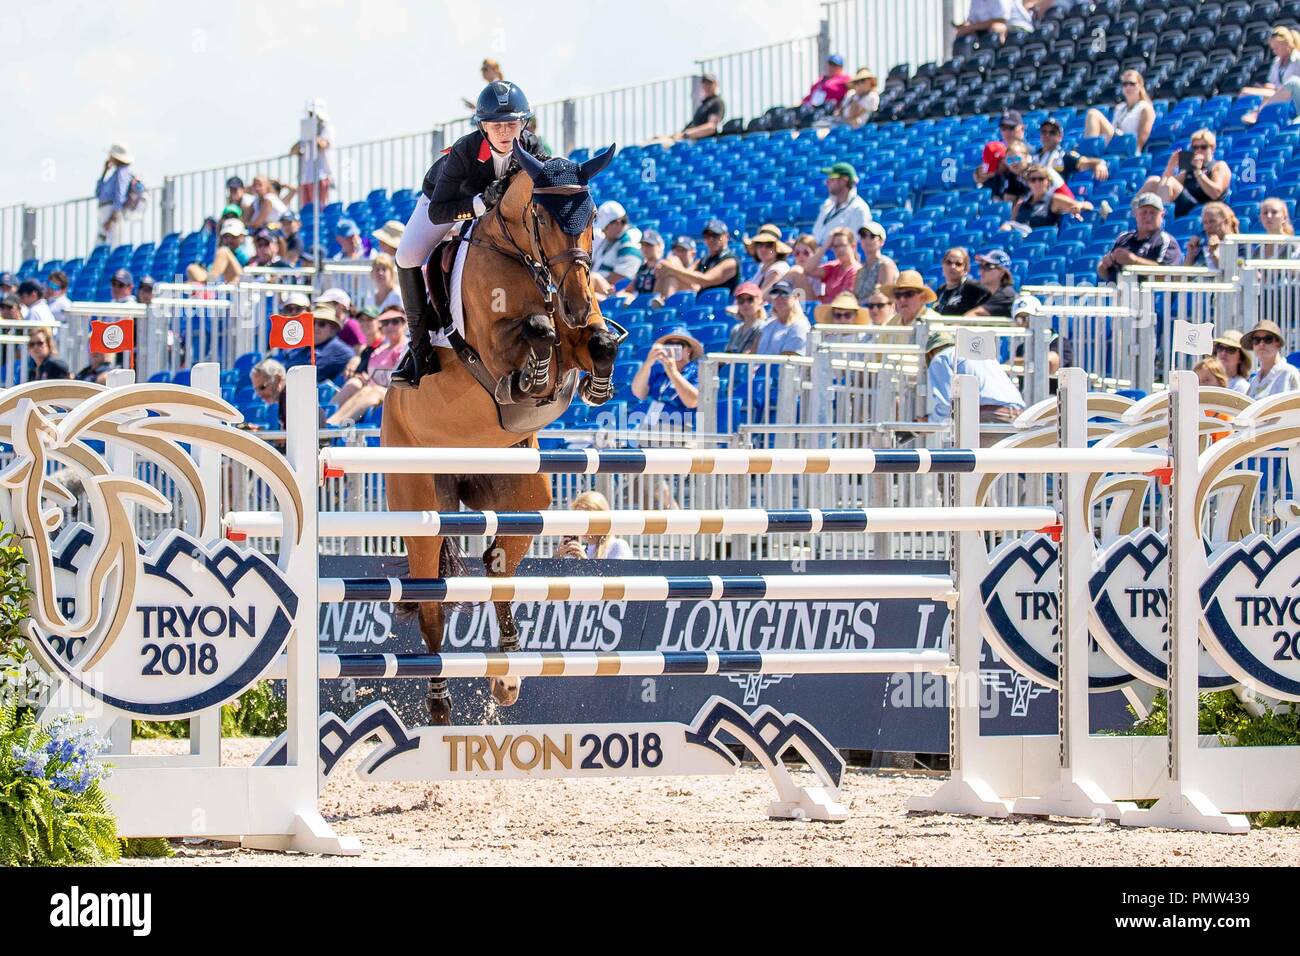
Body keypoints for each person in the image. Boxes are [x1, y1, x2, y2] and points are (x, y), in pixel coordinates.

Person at [392, 80, 548, 388]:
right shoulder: (465, 150)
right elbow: (439, 212)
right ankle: (420, 348)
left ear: (523, 124)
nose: (505, 133)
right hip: (447, 202)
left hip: (495, 215)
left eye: (512, 124)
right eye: (496, 125)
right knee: (406, 256)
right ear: (483, 127)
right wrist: (480, 203)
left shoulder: (531, 147)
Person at [326, 306, 409, 427]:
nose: (390, 326)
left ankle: (333, 426)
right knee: (356, 385)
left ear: (404, 324)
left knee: (371, 391)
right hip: (379, 391)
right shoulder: (379, 351)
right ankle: (326, 419)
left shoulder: (408, 348)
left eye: (395, 321)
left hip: (399, 395)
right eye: (385, 322)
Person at [924, 331, 1026, 427]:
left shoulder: (940, 358)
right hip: (1018, 416)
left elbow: (947, 406)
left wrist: (928, 423)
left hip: (990, 416)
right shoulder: (977, 355)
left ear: (930, 353)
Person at [1140, 129, 1232, 219]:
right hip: (1186, 207)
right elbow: (1164, 185)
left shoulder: (1219, 166)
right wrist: (1170, 166)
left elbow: (1216, 193)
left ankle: (1161, 219)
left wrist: (1198, 173)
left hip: (1207, 209)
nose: (1198, 151)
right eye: (1195, 148)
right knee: (1153, 181)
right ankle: (1134, 214)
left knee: (1170, 181)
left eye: (1203, 147)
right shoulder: (1189, 170)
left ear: (1212, 148)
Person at [1097, 194, 1183, 283]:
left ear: (1162, 215)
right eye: (1144, 212)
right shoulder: (1123, 238)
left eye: (1153, 213)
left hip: (1149, 295)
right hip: (1117, 294)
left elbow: (1169, 276)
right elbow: (1104, 273)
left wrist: (1134, 261)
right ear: (1136, 214)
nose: (1148, 217)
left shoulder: (1165, 241)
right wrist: (1104, 264)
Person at [631, 326, 702, 427]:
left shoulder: (697, 372)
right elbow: (639, 393)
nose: (673, 347)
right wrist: (648, 362)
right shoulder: (659, 372)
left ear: (689, 350)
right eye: (669, 344)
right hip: (651, 427)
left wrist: (672, 371)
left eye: (679, 344)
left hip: (681, 431)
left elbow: (693, 401)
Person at [654, 219, 740, 300]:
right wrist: (666, 268)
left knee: (672, 269)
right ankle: (661, 305)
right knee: (670, 275)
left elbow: (706, 280)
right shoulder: (703, 260)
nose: (711, 239)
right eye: (707, 236)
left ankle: (668, 306)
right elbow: (683, 275)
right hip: (701, 300)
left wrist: (671, 268)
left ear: (727, 237)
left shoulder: (730, 261)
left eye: (716, 236)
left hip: (719, 305)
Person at [281, 302, 356, 383]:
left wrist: (356, 359)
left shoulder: (341, 351)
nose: (315, 327)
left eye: (322, 324)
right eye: (312, 322)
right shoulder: (301, 347)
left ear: (333, 328)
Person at [1004, 164, 1093, 233]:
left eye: (1041, 179)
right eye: (1033, 180)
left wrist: (1080, 206)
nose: (1037, 183)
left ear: (1048, 181)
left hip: (1040, 243)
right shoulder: (1020, 204)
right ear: (1028, 183)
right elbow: (1012, 225)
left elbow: (1088, 205)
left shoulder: (1054, 200)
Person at [1011, 293, 1074, 389]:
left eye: (1029, 317)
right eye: (1019, 319)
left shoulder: (1059, 342)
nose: (1025, 323)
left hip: (1055, 399)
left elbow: (1049, 363)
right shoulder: (1021, 348)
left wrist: (1017, 362)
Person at [1083, 70, 1156, 153]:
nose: (1128, 87)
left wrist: (1136, 153)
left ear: (1140, 85)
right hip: (1115, 141)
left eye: (1132, 84)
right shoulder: (1120, 107)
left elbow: (1143, 136)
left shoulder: (1145, 107)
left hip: (1128, 144)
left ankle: (1089, 154)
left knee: (1093, 113)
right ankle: (1089, 153)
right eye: (1125, 84)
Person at [554, 490, 633, 560]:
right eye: (577, 519)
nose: (580, 524)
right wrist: (557, 557)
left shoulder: (618, 546)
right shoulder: (582, 550)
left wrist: (585, 562)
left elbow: (617, 576)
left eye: (585, 519)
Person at [1032, 117, 1110, 183]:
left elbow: (1085, 162)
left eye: (1052, 132)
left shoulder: (1064, 156)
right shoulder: (1034, 156)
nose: (1047, 135)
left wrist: (1099, 163)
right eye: (1044, 131)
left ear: (1060, 136)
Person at [811, 162, 872, 245]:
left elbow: (855, 243)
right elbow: (816, 236)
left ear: (844, 180)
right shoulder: (827, 205)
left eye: (831, 178)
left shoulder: (859, 209)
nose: (827, 182)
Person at [590, 201, 643, 294]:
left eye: (604, 228)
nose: (602, 232)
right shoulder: (610, 238)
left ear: (618, 223)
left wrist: (595, 284)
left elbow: (623, 277)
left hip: (613, 294)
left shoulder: (630, 241)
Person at [292, 99, 335, 208]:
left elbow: (323, 144)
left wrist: (313, 135)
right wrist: (306, 135)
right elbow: (293, 151)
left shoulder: (326, 128)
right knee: (308, 209)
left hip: (321, 175)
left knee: (320, 207)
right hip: (306, 177)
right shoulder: (306, 133)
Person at [1244, 320, 1300, 399]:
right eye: (1257, 340)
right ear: (1253, 345)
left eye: (1268, 339)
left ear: (1278, 343)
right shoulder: (1254, 380)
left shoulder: (1290, 374)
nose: (1261, 344)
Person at [974, 111, 1027, 194]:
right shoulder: (997, 150)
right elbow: (983, 174)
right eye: (1003, 128)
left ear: (1022, 128)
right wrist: (979, 173)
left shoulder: (1030, 151)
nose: (1007, 132)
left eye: (1011, 127)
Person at [803, 227, 860, 304]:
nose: (839, 250)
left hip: (839, 312)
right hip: (825, 309)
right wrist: (825, 246)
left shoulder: (856, 269)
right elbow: (808, 270)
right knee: (796, 272)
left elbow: (845, 300)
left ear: (853, 246)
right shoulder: (834, 266)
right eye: (835, 246)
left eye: (842, 245)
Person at [1241, 26, 1300, 100]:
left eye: (1277, 48)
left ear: (1286, 44)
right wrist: (1268, 86)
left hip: (1292, 95)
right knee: (1245, 92)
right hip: (1277, 92)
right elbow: (1274, 83)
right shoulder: (1276, 61)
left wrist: (1278, 88)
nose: (1275, 52)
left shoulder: (1297, 60)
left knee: (1247, 92)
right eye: (1273, 49)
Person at [94, 144, 136, 246]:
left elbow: (120, 195)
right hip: (105, 210)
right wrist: (104, 171)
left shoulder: (122, 173)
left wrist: (112, 218)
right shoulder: (115, 174)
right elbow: (98, 193)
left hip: (111, 211)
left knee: (113, 242)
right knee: (101, 242)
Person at [755, 281, 811, 355]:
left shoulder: (800, 326)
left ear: (795, 298)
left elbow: (790, 360)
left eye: (785, 294)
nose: (779, 298)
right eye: (775, 294)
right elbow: (753, 352)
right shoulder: (767, 325)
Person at [668, 73, 725, 143]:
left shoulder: (717, 102)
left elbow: (711, 127)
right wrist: (674, 135)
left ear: (715, 84)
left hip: (702, 143)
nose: (707, 86)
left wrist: (686, 134)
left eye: (710, 83)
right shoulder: (703, 105)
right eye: (705, 83)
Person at [186, 218, 248, 284]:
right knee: (192, 268)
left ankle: (208, 285)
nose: (229, 240)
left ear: (242, 237)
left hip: (241, 284)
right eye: (226, 237)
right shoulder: (220, 253)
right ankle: (206, 286)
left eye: (233, 237)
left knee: (223, 251)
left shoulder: (245, 252)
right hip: (221, 283)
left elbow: (245, 276)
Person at [851, 221, 898, 305]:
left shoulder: (885, 264)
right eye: (863, 236)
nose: (867, 239)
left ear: (881, 241)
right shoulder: (860, 270)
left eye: (872, 236)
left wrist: (857, 304)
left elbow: (883, 296)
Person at [1184, 203, 1240, 270]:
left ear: (1226, 222)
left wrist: (1214, 254)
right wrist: (1191, 255)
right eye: (1205, 222)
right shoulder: (1202, 245)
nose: (1208, 227)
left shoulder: (1239, 244)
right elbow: (1183, 277)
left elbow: (1231, 274)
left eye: (1212, 221)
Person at [953, 0, 1034, 46]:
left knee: (997, 28)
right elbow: (971, 21)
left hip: (1018, 27)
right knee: (961, 33)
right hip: (988, 28)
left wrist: (972, 27)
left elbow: (1000, 20)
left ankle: (1000, 57)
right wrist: (963, 28)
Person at [934, 247, 987, 315]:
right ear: (943, 265)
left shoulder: (973, 287)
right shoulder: (940, 290)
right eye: (948, 262)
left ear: (966, 269)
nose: (952, 266)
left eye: (958, 264)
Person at [742, 224, 792, 293]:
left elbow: (760, 298)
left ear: (777, 248)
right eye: (759, 245)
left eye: (769, 246)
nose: (763, 249)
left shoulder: (777, 269)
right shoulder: (762, 266)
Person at [966, 250, 1017, 317]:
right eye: (981, 266)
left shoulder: (1006, 294)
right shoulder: (983, 294)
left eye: (988, 266)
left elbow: (975, 314)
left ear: (1002, 272)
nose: (981, 270)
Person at [725, 282, 769, 353]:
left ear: (760, 302)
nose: (745, 304)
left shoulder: (764, 327)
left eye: (750, 299)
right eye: (741, 300)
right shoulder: (736, 329)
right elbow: (728, 354)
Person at [624, 229, 665, 300]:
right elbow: (629, 290)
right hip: (640, 303)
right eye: (643, 245)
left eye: (649, 245)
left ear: (659, 246)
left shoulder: (664, 266)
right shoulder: (642, 268)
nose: (645, 248)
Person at [785, 234, 825, 303]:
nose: (801, 256)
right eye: (797, 253)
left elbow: (818, 302)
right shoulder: (790, 272)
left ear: (815, 254)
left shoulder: (819, 275)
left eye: (806, 253)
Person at [250, 358, 288, 428]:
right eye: (256, 389)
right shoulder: (284, 398)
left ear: (278, 379)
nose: (259, 394)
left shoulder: (290, 399)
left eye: (262, 387)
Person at [1212, 329, 1252, 394]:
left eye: (1231, 349)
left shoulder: (1241, 386)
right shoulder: (1207, 380)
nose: (1223, 353)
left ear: (1241, 358)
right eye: (1220, 347)